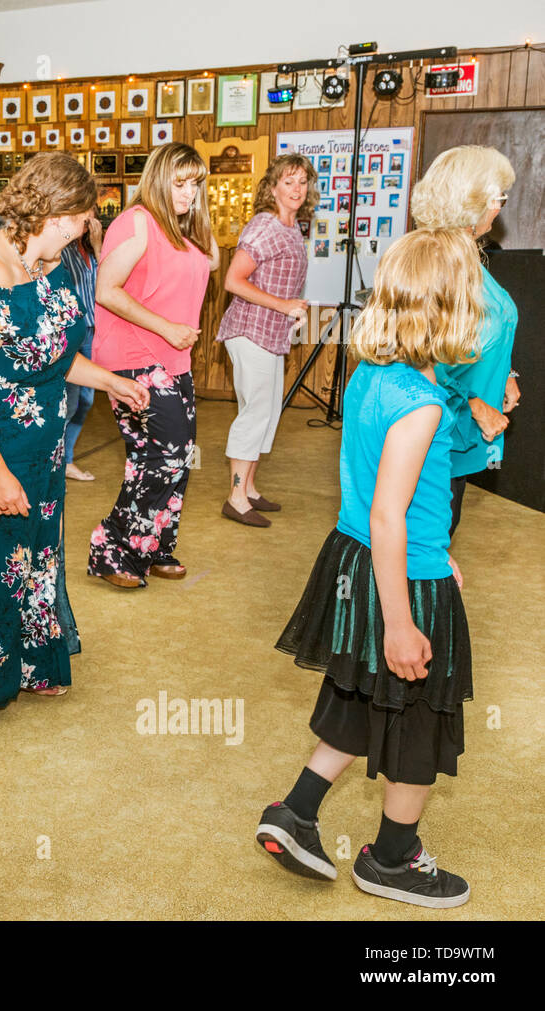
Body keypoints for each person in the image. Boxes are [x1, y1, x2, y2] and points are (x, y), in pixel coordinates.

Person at [257, 228, 481, 908]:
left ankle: (295, 811)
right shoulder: (419, 405)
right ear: (449, 312)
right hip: (396, 575)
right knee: (419, 716)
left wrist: (442, 554)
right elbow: (391, 514)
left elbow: (393, 504)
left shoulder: (369, 377)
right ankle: (392, 857)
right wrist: (403, 622)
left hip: (358, 558)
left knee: (359, 693)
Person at [0, 154, 149, 753]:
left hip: (37, 447)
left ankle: (29, 665)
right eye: (88, 215)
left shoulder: (51, 261)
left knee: (35, 560)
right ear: (63, 215)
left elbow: (54, 352)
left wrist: (110, 380)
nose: (91, 226)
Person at [87, 143, 219, 588]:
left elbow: (213, 260)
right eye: (179, 183)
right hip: (134, 357)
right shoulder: (137, 220)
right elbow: (106, 289)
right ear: (158, 179)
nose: (188, 193)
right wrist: (165, 327)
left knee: (171, 458)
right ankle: (112, 548)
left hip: (173, 357)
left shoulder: (181, 227)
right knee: (168, 453)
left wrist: (196, 211)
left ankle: (155, 543)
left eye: (195, 184)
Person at [410, 145, 519, 535]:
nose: (499, 208)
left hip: (455, 426)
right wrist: (474, 402)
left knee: (441, 527)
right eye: (497, 198)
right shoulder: (437, 261)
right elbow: (414, 356)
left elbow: (484, 329)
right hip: (435, 426)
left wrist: (506, 372)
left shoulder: (466, 254)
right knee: (423, 536)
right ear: (470, 201)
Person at [215, 153, 316, 527]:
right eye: (288, 182)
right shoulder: (265, 225)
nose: (297, 189)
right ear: (272, 188)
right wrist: (283, 304)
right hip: (249, 331)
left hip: (270, 334)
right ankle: (236, 497)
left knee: (268, 413)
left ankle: (251, 489)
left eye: (302, 181)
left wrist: (290, 310)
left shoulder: (292, 227)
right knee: (254, 413)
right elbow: (233, 281)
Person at [58, 215, 103, 481]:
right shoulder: (59, 251)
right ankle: (56, 461)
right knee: (70, 400)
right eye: (87, 215)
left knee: (85, 400)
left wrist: (97, 245)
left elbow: (106, 285)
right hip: (71, 331)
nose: (92, 219)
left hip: (92, 329)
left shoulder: (85, 249)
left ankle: (66, 459)